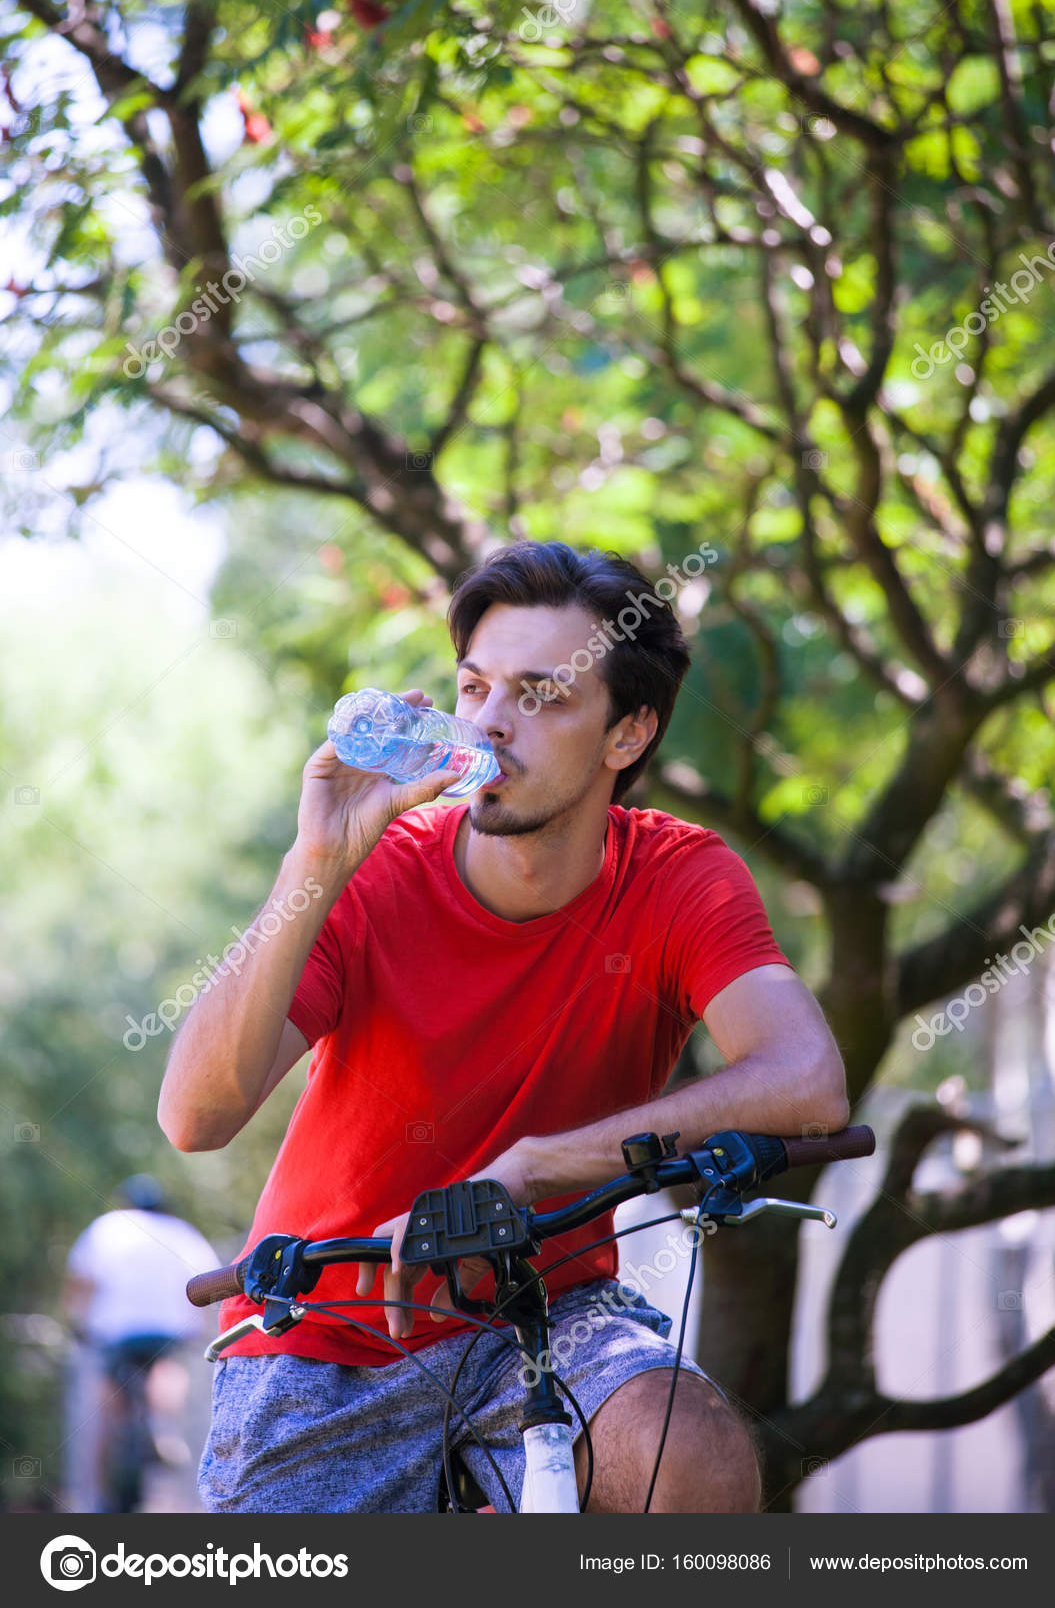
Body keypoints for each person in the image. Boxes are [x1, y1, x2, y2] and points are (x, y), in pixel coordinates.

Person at [159, 539, 850, 1514]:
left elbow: (805, 1077)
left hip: (545, 1308)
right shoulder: (374, 868)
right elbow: (197, 1113)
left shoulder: (678, 875)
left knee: (688, 1451)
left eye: (539, 693)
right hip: (320, 1334)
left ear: (627, 733)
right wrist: (314, 861)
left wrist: (532, 1164)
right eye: (475, 685)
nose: (488, 722)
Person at [63, 1175, 219, 1512]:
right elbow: (208, 1283)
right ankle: (164, 1423)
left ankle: (98, 1498)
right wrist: (199, 1332)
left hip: (115, 1330)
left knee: (103, 1404)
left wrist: (79, 1326)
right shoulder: (182, 1232)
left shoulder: (106, 1226)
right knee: (168, 1365)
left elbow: (81, 1281)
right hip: (166, 1329)